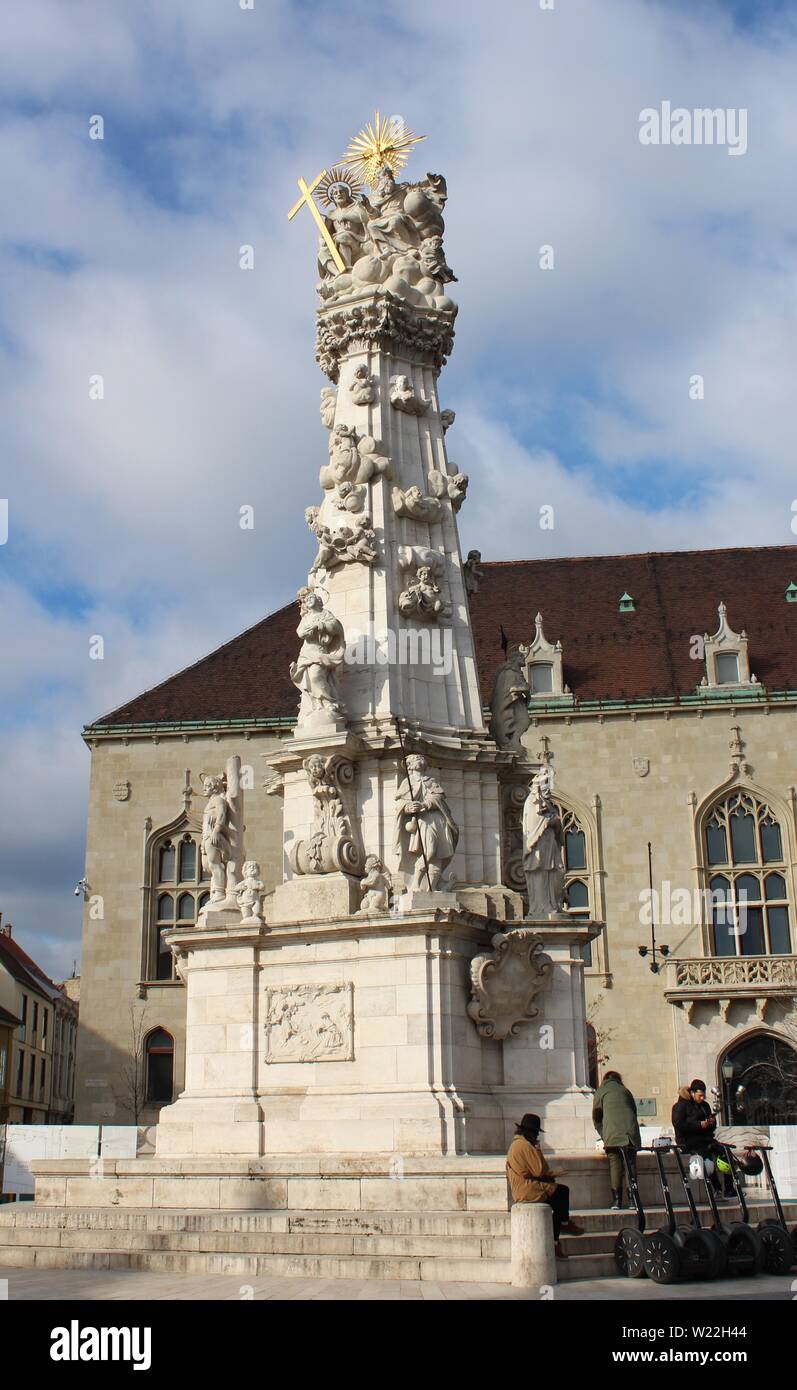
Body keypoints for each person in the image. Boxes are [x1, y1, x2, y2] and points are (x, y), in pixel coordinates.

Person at [505, 1113, 583, 1258]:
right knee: (562, 1193)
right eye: (535, 1133)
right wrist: (538, 1149)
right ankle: (562, 1228)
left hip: (522, 1188)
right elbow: (540, 1169)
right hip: (528, 1189)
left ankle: (558, 1236)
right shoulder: (525, 1146)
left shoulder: (516, 1144)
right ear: (531, 1133)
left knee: (558, 1200)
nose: (536, 1137)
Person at [672, 1078, 733, 1199]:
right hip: (688, 1140)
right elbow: (679, 1124)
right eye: (699, 1096)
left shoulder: (704, 1106)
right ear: (692, 1093)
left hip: (705, 1138)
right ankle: (717, 1189)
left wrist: (711, 1123)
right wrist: (698, 1125)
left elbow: (711, 1127)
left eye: (703, 1096)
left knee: (725, 1152)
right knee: (705, 1155)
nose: (701, 1098)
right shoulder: (680, 1106)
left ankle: (730, 1189)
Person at [592, 1070, 641, 1211]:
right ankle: (633, 1200)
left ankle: (617, 1201)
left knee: (615, 1165)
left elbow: (596, 1116)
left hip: (612, 1135)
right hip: (630, 1134)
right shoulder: (626, 1091)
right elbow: (633, 1111)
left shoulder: (601, 1092)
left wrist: (604, 1133)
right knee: (630, 1165)